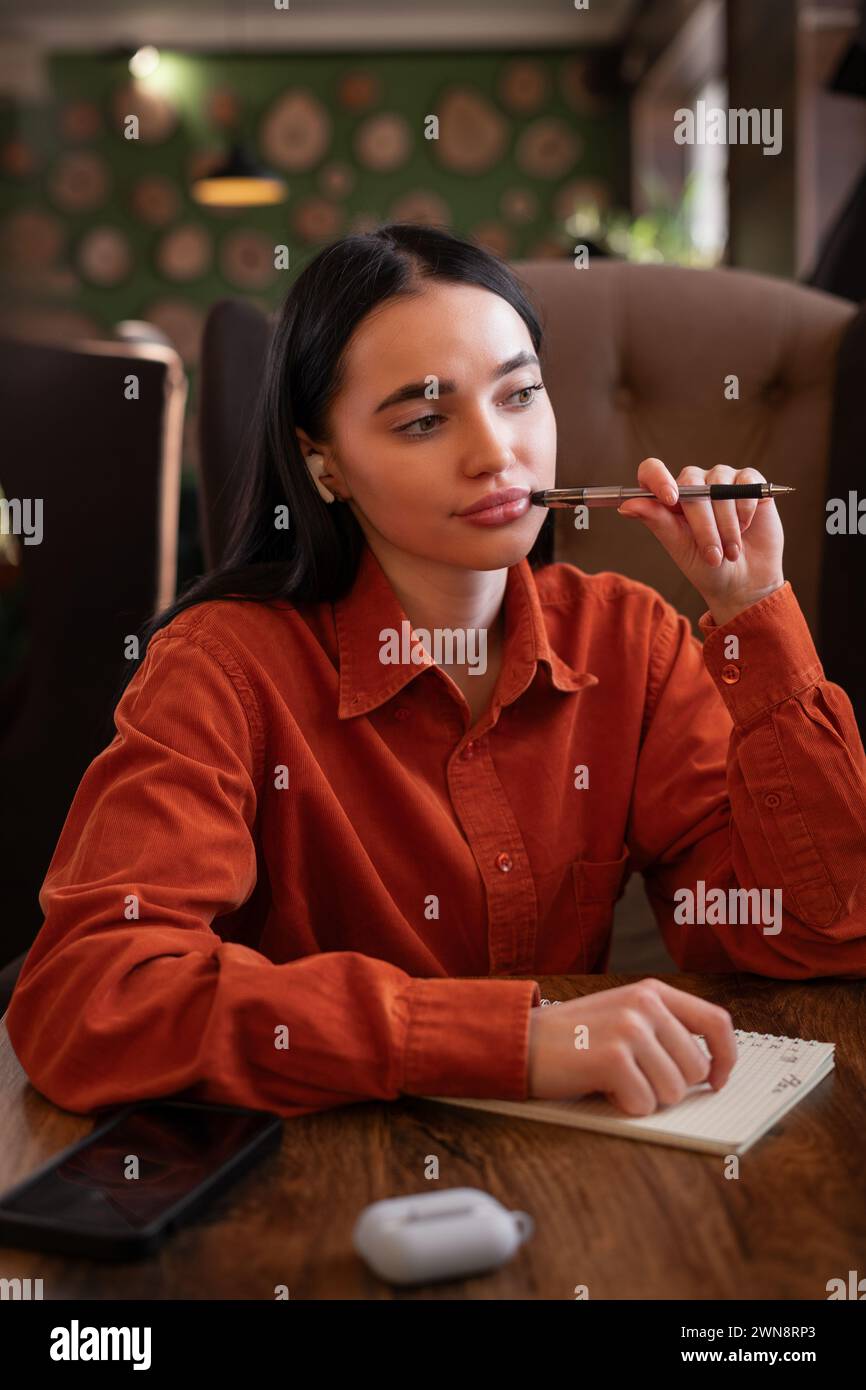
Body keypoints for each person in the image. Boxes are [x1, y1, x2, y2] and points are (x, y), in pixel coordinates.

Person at [7, 224, 866, 1121]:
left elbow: (817, 935)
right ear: (322, 462)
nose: (496, 452)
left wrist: (753, 613)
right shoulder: (221, 667)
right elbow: (89, 998)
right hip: (306, 1186)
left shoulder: (631, 643)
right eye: (423, 419)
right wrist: (509, 1042)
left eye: (521, 394)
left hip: (573, 1193)